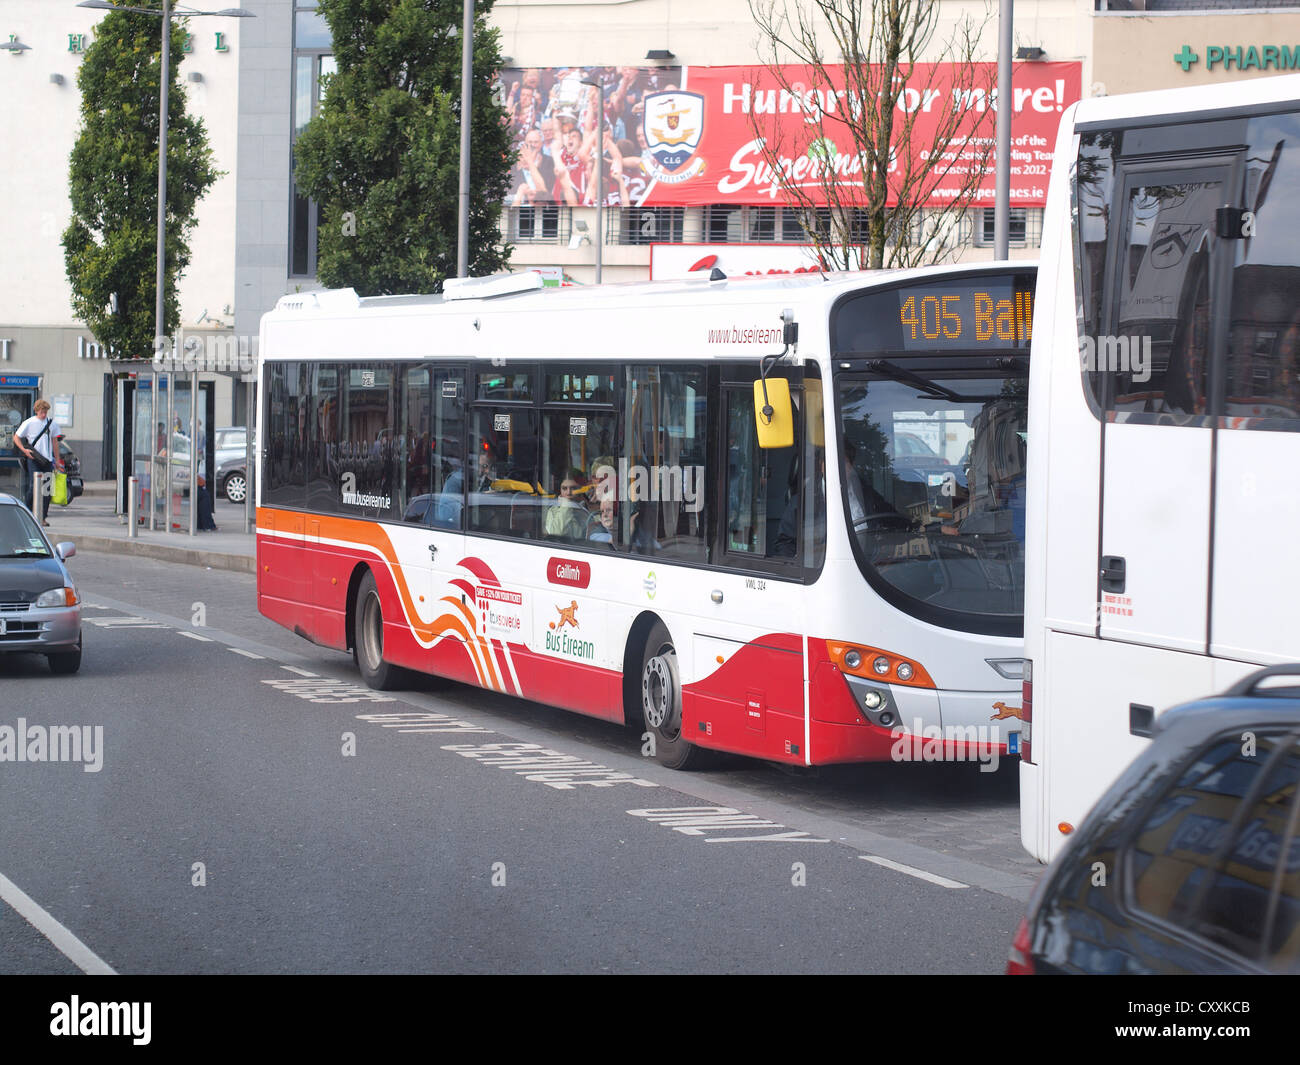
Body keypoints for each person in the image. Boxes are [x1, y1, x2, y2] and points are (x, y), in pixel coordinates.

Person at [12, 399, 62, 526]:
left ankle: (43, 518)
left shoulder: (52, 424)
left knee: (46, 490)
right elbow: (16, 437)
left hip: (47, 461)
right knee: (33, 487)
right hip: (34, 459)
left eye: (45, 412)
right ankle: (27, 513)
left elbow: (55, 443)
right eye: (41, 412)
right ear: (36, 411)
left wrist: (57, 460)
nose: (44, 415)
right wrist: (24, 450)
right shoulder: (29, 423)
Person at [545, 468, 588, 540]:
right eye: (564, 488)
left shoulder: (588, 507)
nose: (569, 492)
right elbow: (556, 533)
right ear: (560, 490)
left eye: (573, 488)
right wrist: (567, 505)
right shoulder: (553, 511)